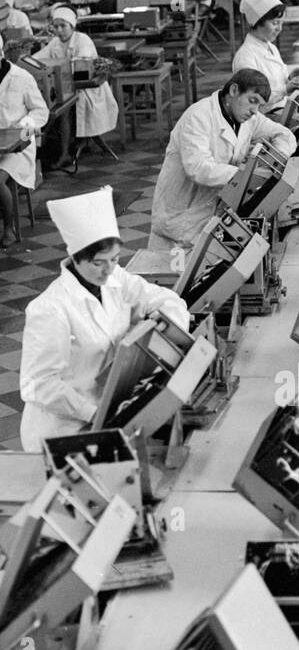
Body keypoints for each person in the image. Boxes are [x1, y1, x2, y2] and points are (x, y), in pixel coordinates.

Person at [19, 186, 190, 453]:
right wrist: (94, 413)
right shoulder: (50, 309)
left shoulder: (115, 278)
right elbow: (38, 384)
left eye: (114, 259)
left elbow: (166, 299)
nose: (108, 270)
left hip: (107, 412)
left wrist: (171, 331)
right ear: (76, 258)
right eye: (99, 263)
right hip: (62, 431)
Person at [148, 68, 296, 250]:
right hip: (179, 222)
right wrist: (248, 174)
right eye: (252, 101)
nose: (254, 111)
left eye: (259, 105)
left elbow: (285, 135)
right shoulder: (198, 117)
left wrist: (274, 160)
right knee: (170, 276)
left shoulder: (249, 119)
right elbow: (199, 169)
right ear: (234, 91)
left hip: (210, 218)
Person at [33, 5, 119, 170]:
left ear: (72, 26)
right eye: (55, 26)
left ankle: (65, 153)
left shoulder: (82, 40)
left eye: (63, 26)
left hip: (88, 90)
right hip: (69, 88)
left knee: (63, 109)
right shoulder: (55, 43)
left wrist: (59, 71)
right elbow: (39, 59)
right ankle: (46, 151)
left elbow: (80, 67)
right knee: (52, 106)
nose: (59, 30)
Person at [0, 31, 49, 248]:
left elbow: (41, 113)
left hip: (20, 145)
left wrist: (21, 133)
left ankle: (8, 228)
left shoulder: (21, 77)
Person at [233, 0, 299, 112]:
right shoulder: (245, 58)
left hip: (282, 109)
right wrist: (285, 90)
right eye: (275, 23)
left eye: (281, 23)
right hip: (264, 119)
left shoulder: (271, 47)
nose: (280, 28)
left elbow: (279, 79)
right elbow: (253, 99)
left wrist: (291, 77)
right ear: (258, 22)